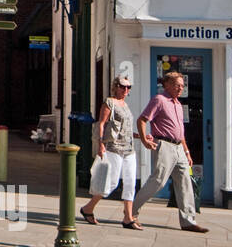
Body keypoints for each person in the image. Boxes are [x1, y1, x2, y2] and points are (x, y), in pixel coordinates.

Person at [132, 71, 209, 233]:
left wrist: (187, 152)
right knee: (158, 181)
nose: (180, 88)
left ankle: (188, 221)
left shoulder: (178, 105)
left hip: (179, 147)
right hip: (164, 145)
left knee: (185, 182)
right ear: (166, 85)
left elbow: (180, 133)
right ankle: (131, 211)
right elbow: (142, 120)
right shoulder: (159, 100)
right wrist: (145, 141)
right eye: (177, 85)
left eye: (182, 85)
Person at [80, 75, 140, 228]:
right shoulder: (109, 103)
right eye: (122, 86)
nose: (126, 89)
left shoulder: (125, 105)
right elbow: (102, 124)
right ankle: (88, 208)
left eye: (128, 87)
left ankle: (128, 217)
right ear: (115, 86)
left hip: (129, 149)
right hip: (114, 148)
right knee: (111, 183)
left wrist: (140, 136)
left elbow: (124, 130)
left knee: (130, 182)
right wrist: (100, 145)